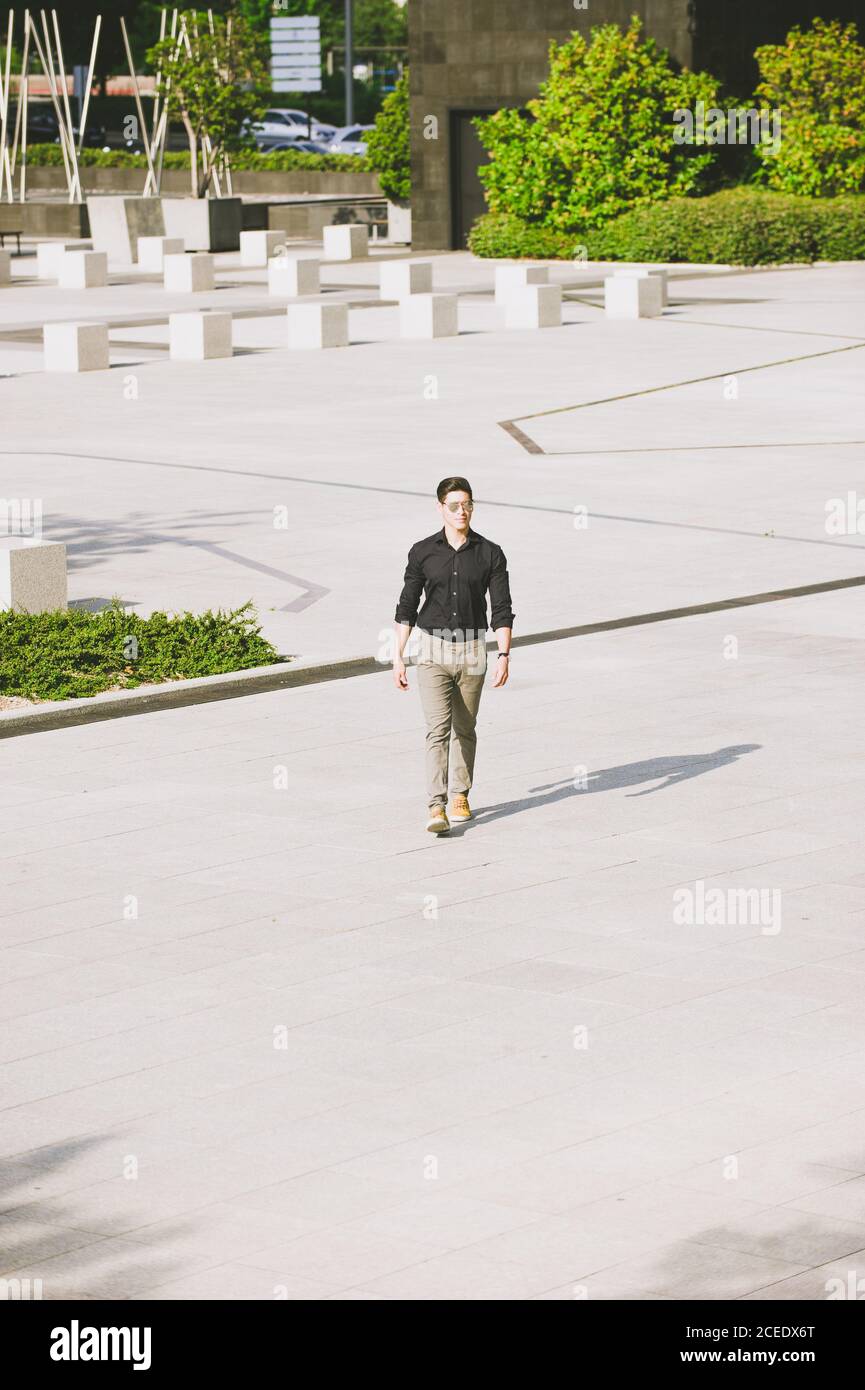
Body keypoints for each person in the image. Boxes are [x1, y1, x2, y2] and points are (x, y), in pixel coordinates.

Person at [392, 477, 514, 834]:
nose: (462, 512)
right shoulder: (422, 552)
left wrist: (504, 654)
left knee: (465, 727)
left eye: (468, 504)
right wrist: (398, 655)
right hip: (431, 649)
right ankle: (436, 804)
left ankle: (460, 794)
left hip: (474, 649)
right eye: (455, 505)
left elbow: (502, 609)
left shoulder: (490, 553)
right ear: (440, 508)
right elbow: (406, 606)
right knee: (437, 729)